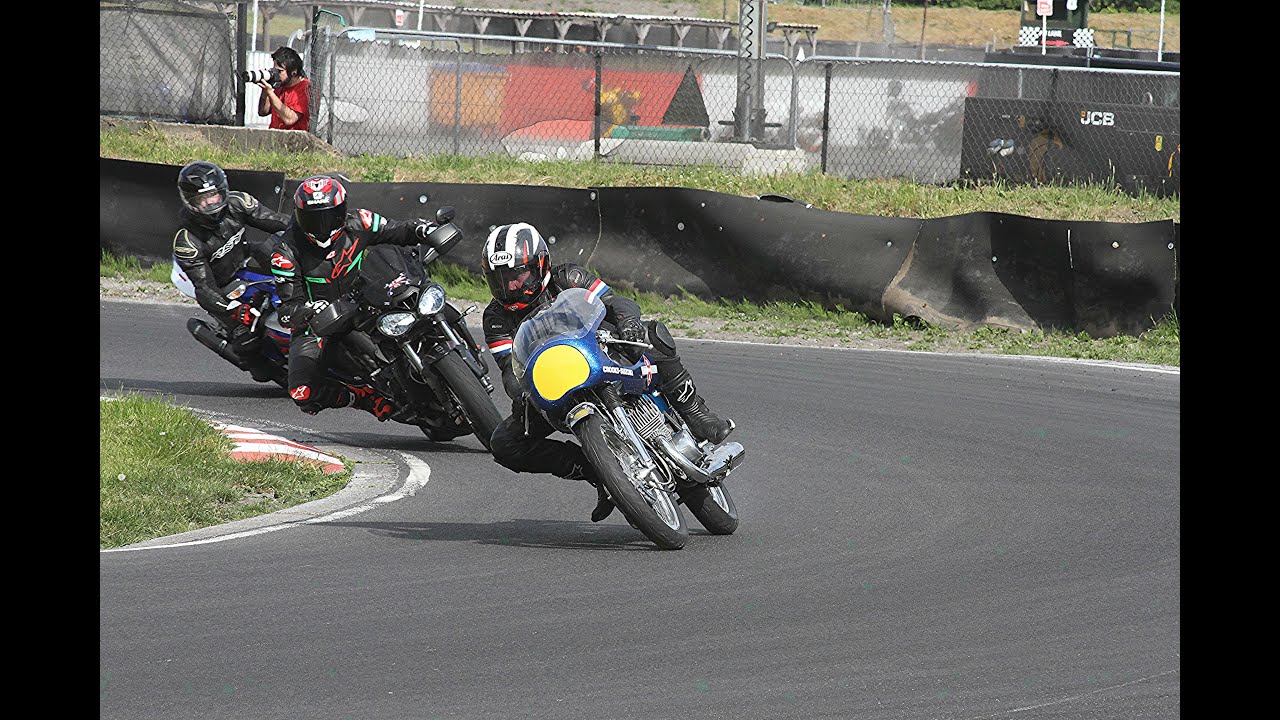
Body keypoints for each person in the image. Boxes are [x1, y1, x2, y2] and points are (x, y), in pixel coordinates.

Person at [481, 222, 734, 523]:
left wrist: (628, 323)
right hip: (551, 386)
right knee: (504, 444)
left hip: (600, 353)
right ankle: (596, 471)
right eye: (500, 279)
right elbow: (508, 370)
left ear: (540, 265)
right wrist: (521, 391)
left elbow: (615, 302)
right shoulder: (495, 317)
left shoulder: (568, 277)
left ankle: (695, 412)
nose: (510, 286)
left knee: (652, 334)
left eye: (516, 275)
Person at [269, 175, 459, 420]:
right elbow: (287, 310)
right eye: (313, 219)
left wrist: (424, 229)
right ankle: (364, 398)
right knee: (302, 392)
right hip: (319, 323)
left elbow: (399, 230)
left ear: (342, 210)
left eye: (329, 216)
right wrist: (307, 310)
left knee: (419, 297)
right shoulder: (285, 252)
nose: (322, 226)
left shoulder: (361, 221)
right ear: (298, 215)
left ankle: (455, 337)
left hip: (367, 298)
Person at [173, 160, 291, 382]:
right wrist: (235, 310)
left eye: (213, 195)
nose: (210, 202)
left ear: (222, 191)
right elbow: (204, 289)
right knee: (253, 354)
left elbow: (276, 221)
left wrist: (308, 228)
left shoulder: (238, 202)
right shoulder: (187, 241)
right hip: (223, 287)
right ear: (190, 201)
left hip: (247, 260)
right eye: (202, 199)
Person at [256, 46, 310, 132]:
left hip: (294, 138)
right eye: (275, 70)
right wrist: (265, 91)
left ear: (293, 72)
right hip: (275, 136)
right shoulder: (281, 86)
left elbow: (290, 119)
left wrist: (270, 92)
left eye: (280, 71)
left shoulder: (305, 88)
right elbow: (263, 111)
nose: (276, 74)